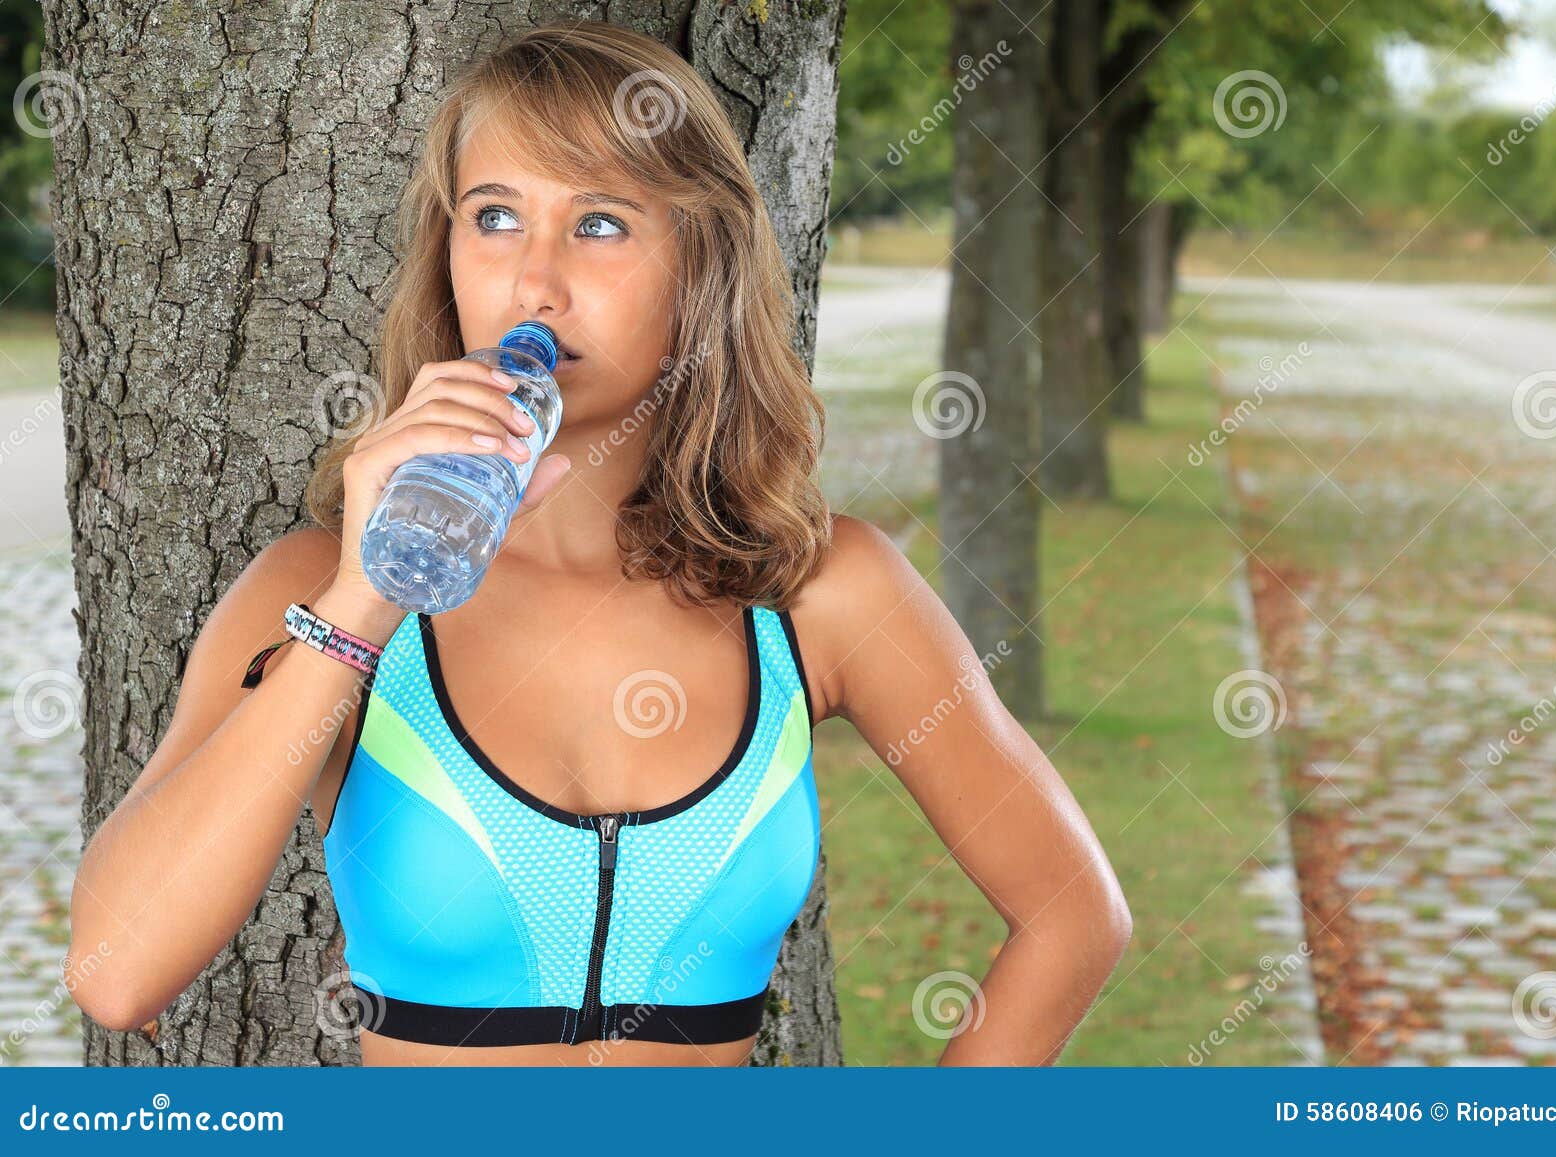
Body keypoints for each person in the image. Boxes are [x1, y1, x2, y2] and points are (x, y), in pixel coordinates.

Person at [64, 20, 1131, 1068]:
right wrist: (364, 598)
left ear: (698, 265)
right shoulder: (315, 586)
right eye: (493, 216)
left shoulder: (818, 591)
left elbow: (1073, 914)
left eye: (602, 223)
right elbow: (118, 972)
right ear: (446, 256)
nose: (536, 280)